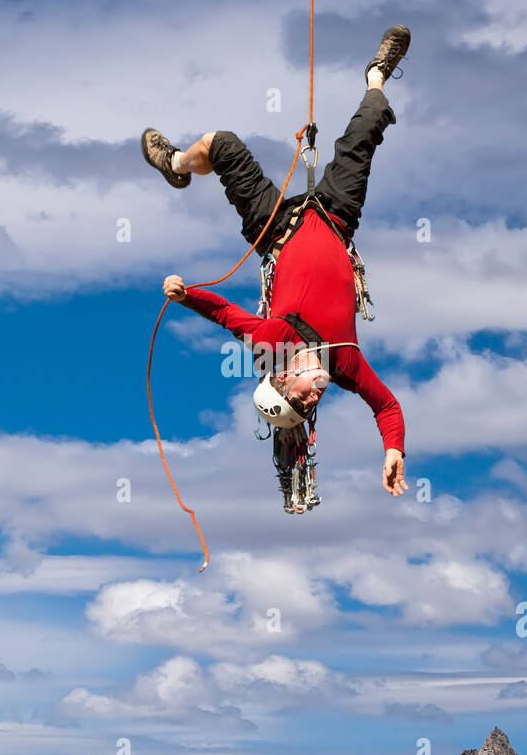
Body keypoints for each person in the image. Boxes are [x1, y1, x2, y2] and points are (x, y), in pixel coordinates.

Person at [141, 25, 410, 511]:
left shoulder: (274, 345)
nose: (313, 403)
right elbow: (387, 406)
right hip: (334, 217)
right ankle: (376, 75)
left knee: (220, 143)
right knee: (366, 128)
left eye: (300, 401)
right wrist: (393, 449)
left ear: (283, 379)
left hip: (276, 230)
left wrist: (186, 295)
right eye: (309, 411)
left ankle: (177, 164)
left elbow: (226, 315)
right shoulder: (345, 364)